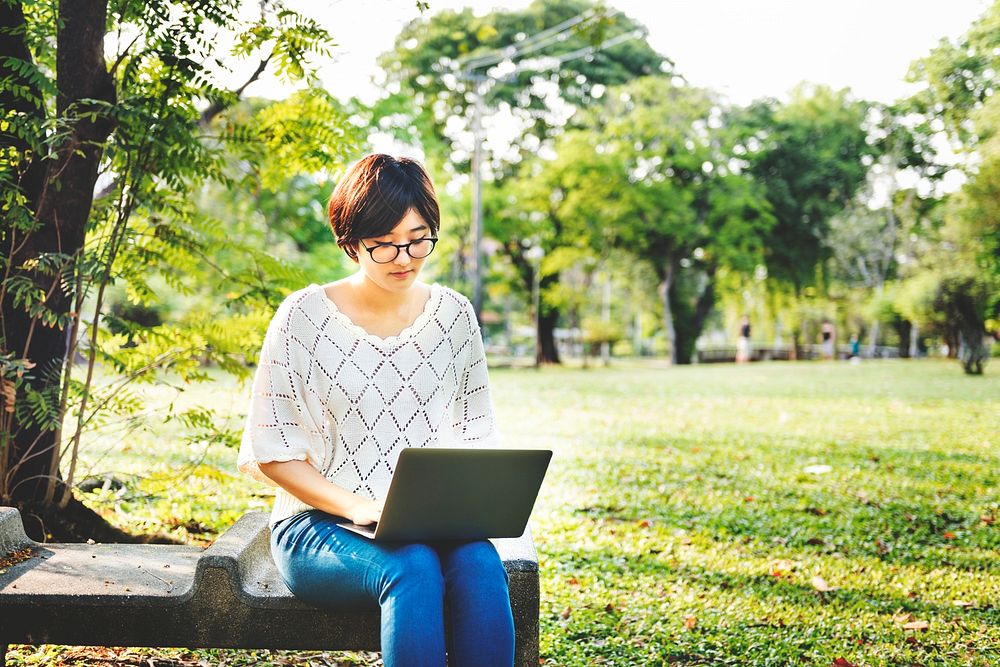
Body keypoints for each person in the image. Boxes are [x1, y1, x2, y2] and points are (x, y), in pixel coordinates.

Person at [236, 154, 515, 667]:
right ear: (350, 241)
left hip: (428, 521)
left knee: (479, 562)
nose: (404, 257)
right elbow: (273, 453)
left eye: (418, 237)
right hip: (319, 526)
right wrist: (360, 507)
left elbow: (475, 434)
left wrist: (460, 508)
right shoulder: (304, 316)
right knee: (411, 567)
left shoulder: (454, 316)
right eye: (383, 243)